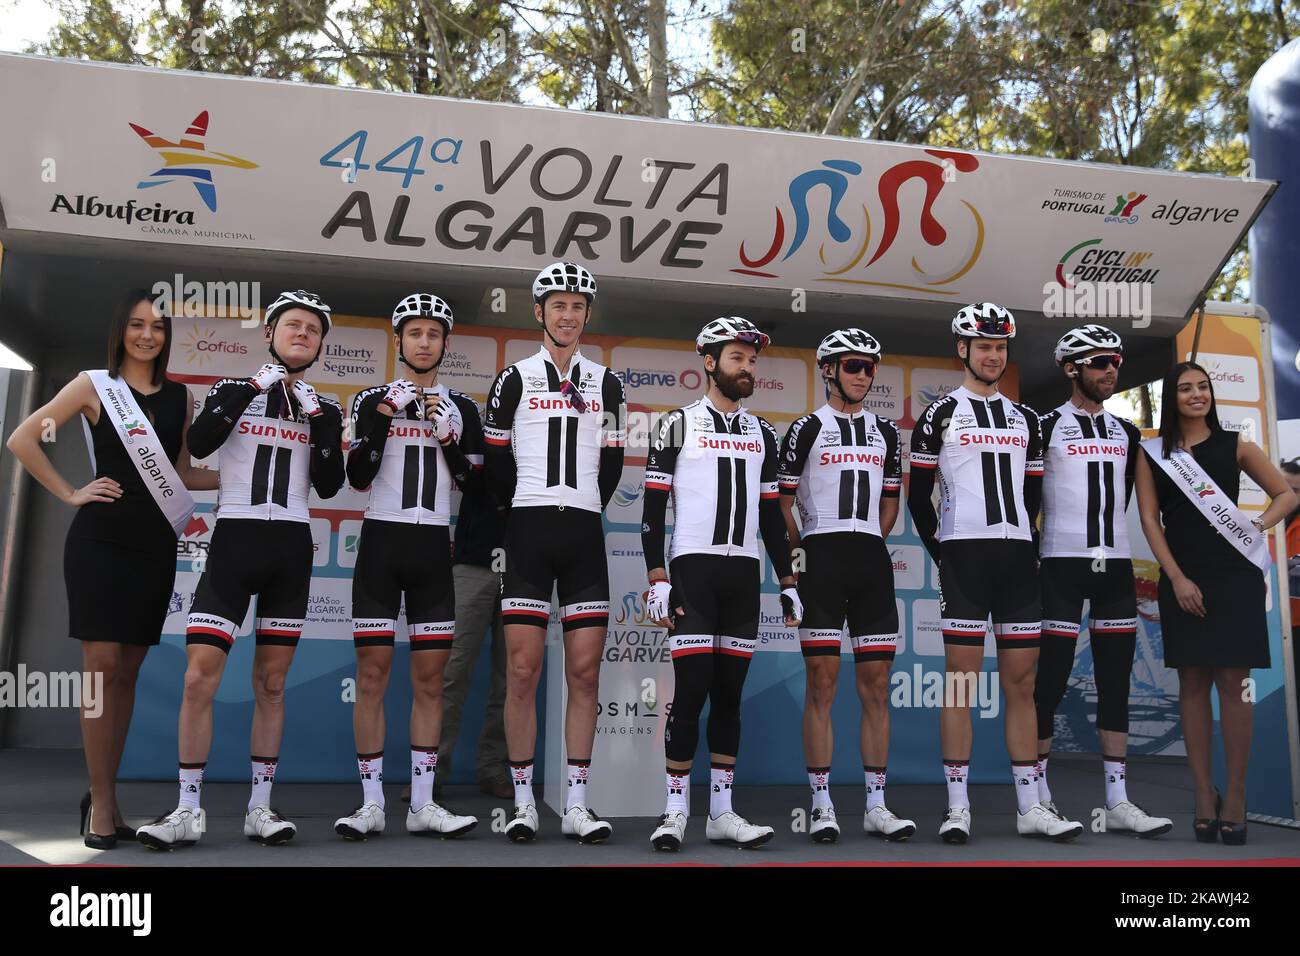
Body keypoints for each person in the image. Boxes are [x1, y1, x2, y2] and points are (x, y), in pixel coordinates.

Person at [6, 288, 216, 849]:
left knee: (128, 673)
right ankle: (100, 800)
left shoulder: (181, 397)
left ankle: (109, 794)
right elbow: (22, 438)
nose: (147, 335)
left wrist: (259, 471)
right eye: (137, 324)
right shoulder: (94, 385)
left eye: (158, 327)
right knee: (100, 666)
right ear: (120, 329)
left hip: (154, 545)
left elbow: (180, 472)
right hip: (100, 542)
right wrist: (72, 492)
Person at [136, 290, 345, 849]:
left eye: (313, 329)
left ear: (321, 345)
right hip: (234, 541)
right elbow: (201, 444)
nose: (303, 334)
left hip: (291, 549)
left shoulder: (326, 404)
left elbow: (329, 484)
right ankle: (186, 810)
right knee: (199, 676)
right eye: (292, 325)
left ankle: (260, 807)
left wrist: (321, 421)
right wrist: (254, 388)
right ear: (270, 333)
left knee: (271, 684)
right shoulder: (234, 390)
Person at [908, 302, 1082, 843]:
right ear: (962, 350)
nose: (992, 355)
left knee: (1022, 685)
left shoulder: (1027, 419)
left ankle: (1031, 805)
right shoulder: (938, 415)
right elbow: (917, 497)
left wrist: (1025, 544)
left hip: (1014, 560)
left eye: (1000, 347)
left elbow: (1033, 494)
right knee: (960, 683)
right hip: (963, 556)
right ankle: (957, 805)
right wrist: (943, 553)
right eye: (983, 346)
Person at [643, 316, 799, 851]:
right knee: (691, 692)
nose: (747, 368)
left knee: (731, 696)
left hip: (742, 576)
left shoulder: (763, 432)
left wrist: (787, 580)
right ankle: (673, 813)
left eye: (752, 361)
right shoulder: (677, 423)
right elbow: (652, 508)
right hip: (692, 571)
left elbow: (772, 517)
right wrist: (657, 576)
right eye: (737, 359)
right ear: (709, 362)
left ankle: (722, 813)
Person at [483, 261, 626, 843]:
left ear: (588, 316)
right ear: (538, 312)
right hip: (528, 532)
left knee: (585, 674)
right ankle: (522, 802)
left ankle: (576, 803)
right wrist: (522, 511)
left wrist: (585, 503)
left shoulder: (607, 383)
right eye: (558, 305)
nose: (568, 315)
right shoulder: (512, 378)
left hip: (585, 533)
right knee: (522, 670)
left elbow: (613, 463)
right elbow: (495, 464)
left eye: (578, 306)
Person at [333, 293, 480, 840]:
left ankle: (423, 801)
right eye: (414, 333)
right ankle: (371, 803)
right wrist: (385, 417)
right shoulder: (372, 398)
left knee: (430, 680)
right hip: (380, 543)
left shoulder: (463, 407)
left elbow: (475, 485)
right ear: (398, 341)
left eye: (433, 334)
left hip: (432, 547)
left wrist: (448, 441)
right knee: (371, 675)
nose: (424, 342)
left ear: (445, 344)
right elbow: (357, 477)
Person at [1135, 362, 1296, 845]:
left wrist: (1258, 526)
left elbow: (1285, 495)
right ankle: (1204, 795)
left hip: (1234, 578)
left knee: (1233, 682)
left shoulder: (1237, 444)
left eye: (1203, 386)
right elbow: (1149, 522)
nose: (1197, 394)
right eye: (1185, 388)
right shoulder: (1153, 453)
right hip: (1184, 577)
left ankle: (1238, 796)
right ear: (1172, 398)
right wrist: (1178, 577)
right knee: (1191, 682)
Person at [1034, 325, 1173, 837]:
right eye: (1098, 362)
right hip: (1060, 565)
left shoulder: (1128, 432)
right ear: (1071, 368)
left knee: (1115, 683)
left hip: (1113, 566)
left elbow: (1152, 506)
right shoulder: (1043, 425)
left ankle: (1118, 800)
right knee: (1049, 682)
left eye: (1116, 361)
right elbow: (1025, 501)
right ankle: (1040, 798)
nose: (1111, 369)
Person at [778, 328, 915, 843]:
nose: (863, 375)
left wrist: (866, 540)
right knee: (823, 684)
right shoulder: (806, 429)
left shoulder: (885, 432)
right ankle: (821, 803)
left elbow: (890, 501)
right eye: (854, 365)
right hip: (821, 560)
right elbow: (783, 503)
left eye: (870, 367)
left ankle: (877, 804)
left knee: (878, 687)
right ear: (830, 370)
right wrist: (804, 552)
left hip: (871, 561)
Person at [436, 464, 511, 801]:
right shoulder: (476, 423)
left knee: (511, 678)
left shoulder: (542, 424)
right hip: (473, 562)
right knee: (452, 670)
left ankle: (493, 766)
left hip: (524, 567)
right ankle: (430, 770)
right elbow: (468, 477)